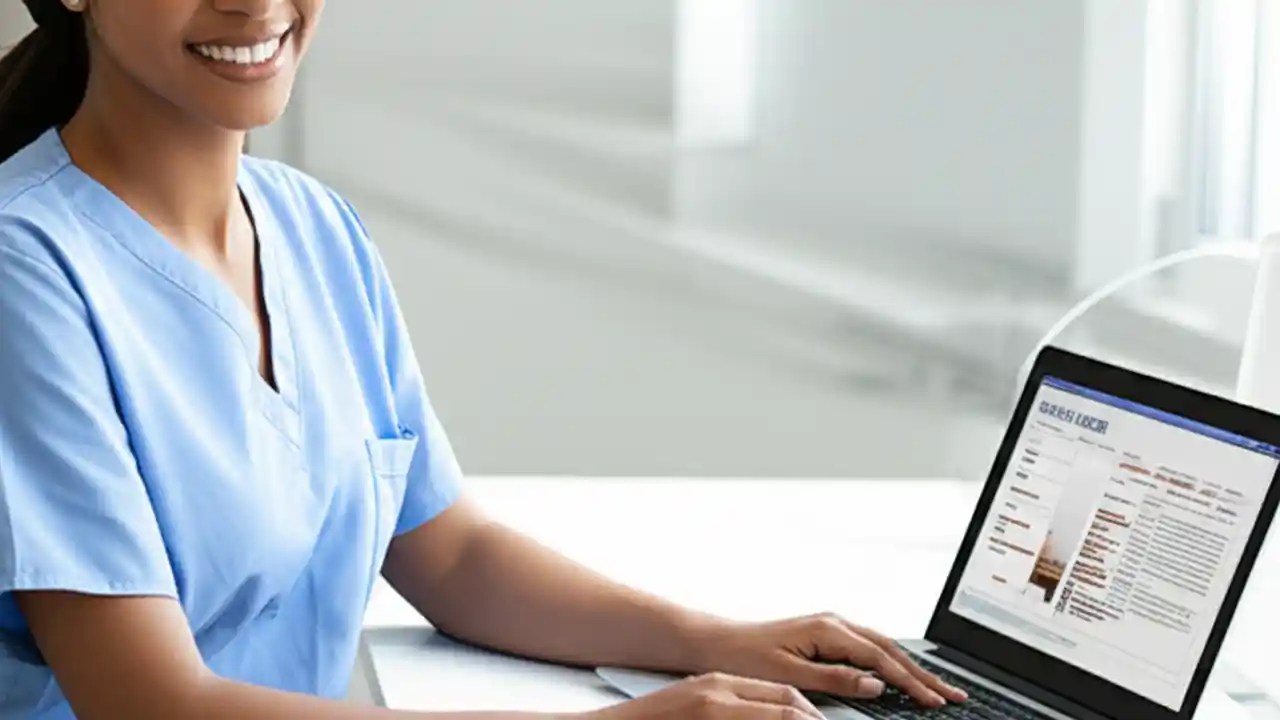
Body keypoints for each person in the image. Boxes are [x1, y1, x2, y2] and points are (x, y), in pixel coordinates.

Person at [0, 1, 967, 718]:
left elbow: (450, 554)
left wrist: (711, 640)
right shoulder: (26, 270)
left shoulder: (311, 227)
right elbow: (146, 701)